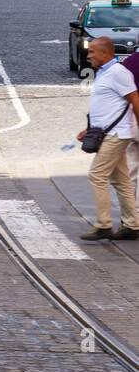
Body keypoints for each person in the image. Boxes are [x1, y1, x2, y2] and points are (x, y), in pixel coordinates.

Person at [77, 37, 139, 241]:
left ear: (105, 53)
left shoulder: (118, 73)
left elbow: (134, 99)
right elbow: (108, 106)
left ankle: (103, 224)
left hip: (117, 134)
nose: (89, 56)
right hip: (108, 132)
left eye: (92, 52)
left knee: (97, 175)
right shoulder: (105, 72)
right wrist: (90, 129)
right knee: (121, 180)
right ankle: (132, 225)